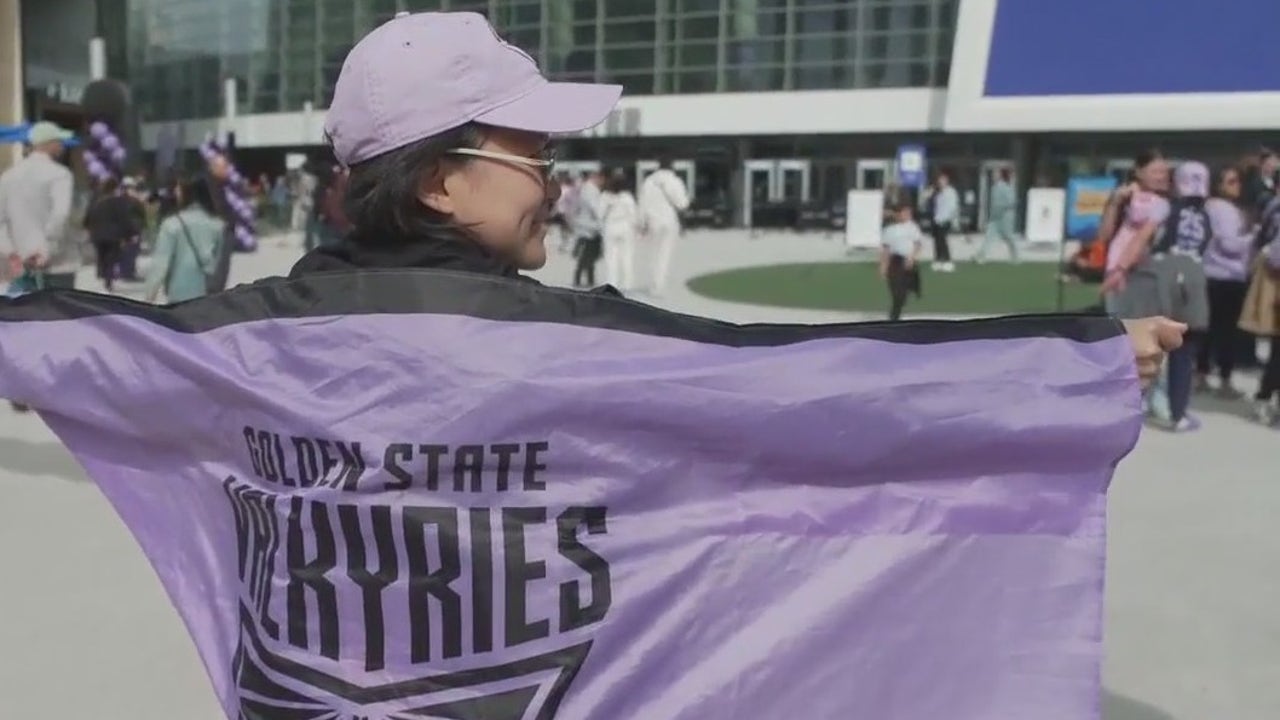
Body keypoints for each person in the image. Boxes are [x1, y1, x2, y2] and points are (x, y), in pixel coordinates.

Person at [1198, 165, 1256, 397]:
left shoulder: (1210, 207)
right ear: (1218, 185)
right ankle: (1224, 379)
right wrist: (1254, 237)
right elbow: (1230, 244)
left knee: (1209, 329)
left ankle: (1201, 373)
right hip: (1227, 276)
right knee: (1227, 331)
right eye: (1231, 182)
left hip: (1212, 273)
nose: (1237, 186)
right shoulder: (1223, 209)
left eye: (1238, 181)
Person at [0, 121, 77, 290]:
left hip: (21, 260)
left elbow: (1, 221)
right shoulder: (60, 174)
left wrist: (10, 252)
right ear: (49, 144)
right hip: (56, 262)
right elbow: (60, 215)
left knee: (26, 313)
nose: (62, 146)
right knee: (59, 313)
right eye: (59, 141)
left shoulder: (8, 176)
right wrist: (46, 248)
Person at [1101, 150, 1171, 315]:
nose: (1161, 177)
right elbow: (1104, 236)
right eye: (1155, 172)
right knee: (1119, 327)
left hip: (1149, 273)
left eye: (1164, 172)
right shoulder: (1125, 198)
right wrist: (1115, 204)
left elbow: (1147, 238)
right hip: (1118, 272)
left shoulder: (1167, 203)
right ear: (1138, 172)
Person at [145, 177, 224, 304]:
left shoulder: (172, 225)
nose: (176, 194)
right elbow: (218, 263)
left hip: (178, 294)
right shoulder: (217, 225)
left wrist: (149, 297)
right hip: (207, 295)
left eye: (179, 190)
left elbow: (160, 265)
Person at [638, 156, 690, 294]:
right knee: (664, 254)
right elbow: (682, 204)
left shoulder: (648, 182)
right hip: (669, 221)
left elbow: (642, 204)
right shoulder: (675, 181)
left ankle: (653, 283)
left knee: (653, 254)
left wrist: (642, 222)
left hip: (653, 221)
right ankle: (659, 285)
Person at [82, 177, 142, 293]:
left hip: (97, 234)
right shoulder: (117, 202)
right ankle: (108, 281)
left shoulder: (96, 201)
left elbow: (88, 217)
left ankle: (103, 276)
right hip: (112, 235)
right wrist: (131, 233)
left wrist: (88, 228)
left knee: (102, 256)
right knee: (111, 257)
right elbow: (124, 219)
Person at [879, 200, 924, 321]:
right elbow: (886, 249)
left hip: (907, 260)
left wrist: (912, 257)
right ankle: (894, 317)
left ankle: (909, 289)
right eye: (903, 212)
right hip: (895, 261)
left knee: (904, 291)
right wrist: (883, 267)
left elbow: (917, 244)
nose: (906, 215)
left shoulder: (912, 227)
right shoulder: (889, 230)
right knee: (896, 291)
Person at [600, 169, 638, 291]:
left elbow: (599, 214)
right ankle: (627, 284)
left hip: (611, 227)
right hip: (625, 227)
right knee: (627, 256)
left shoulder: (605, 196)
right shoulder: (627, 197)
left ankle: (612, 283)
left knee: (611, 257)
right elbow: (633, 215)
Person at [976, 167, 1018, 263]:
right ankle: (981, 256)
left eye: (996, 174)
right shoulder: (994, 188)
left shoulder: (1006, 188)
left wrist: (1001, 208)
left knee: (1009, 238)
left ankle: (1015, 257)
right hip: (994, 218)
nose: (994, 176)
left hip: (1005, 218)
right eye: (994, 174)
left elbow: (1012, 202)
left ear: (1000, 176)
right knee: (989, 237)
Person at [571, 169, 604, 287]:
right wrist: (603, 218)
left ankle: (588, 279)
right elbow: (595, 208)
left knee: (589, 257)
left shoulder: (586, 188)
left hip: (588, 226)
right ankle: (580, 279)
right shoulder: (590, 190)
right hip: (589, 227)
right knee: (587, 256)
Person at [925, 171, 959, 272]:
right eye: (939, 181)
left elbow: (953, 207)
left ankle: (948, 261)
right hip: (937, 219)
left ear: (946, 181)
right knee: (937, 240)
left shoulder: (951, 192)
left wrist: (950, 218)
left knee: (943, 240)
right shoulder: (937, 192)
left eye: (942, 180)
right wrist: (930, 192)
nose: (940, 182)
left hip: (945, 220)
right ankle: (938, 260)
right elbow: (927, 199)